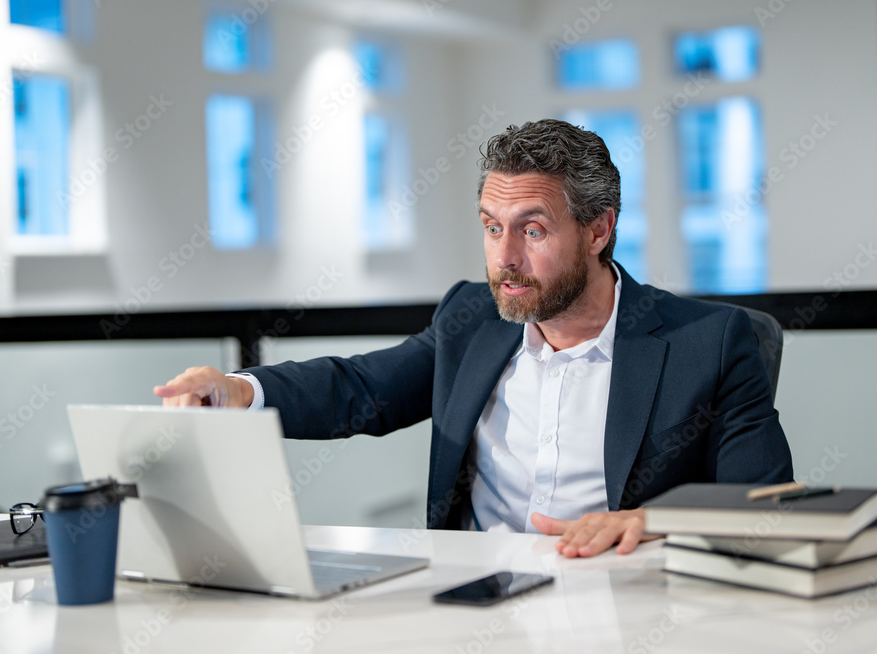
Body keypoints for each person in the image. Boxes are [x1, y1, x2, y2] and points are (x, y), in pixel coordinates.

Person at [154, 119, 793, 558]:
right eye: (492, 227)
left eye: (533, 231)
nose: (505, 258)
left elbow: (763, 502)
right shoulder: (474, 318)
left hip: (625, 607)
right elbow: (363, 387)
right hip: (474, 602)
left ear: (599, 231)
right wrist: (237, 390)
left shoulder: (708, 342)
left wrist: (651, 522)